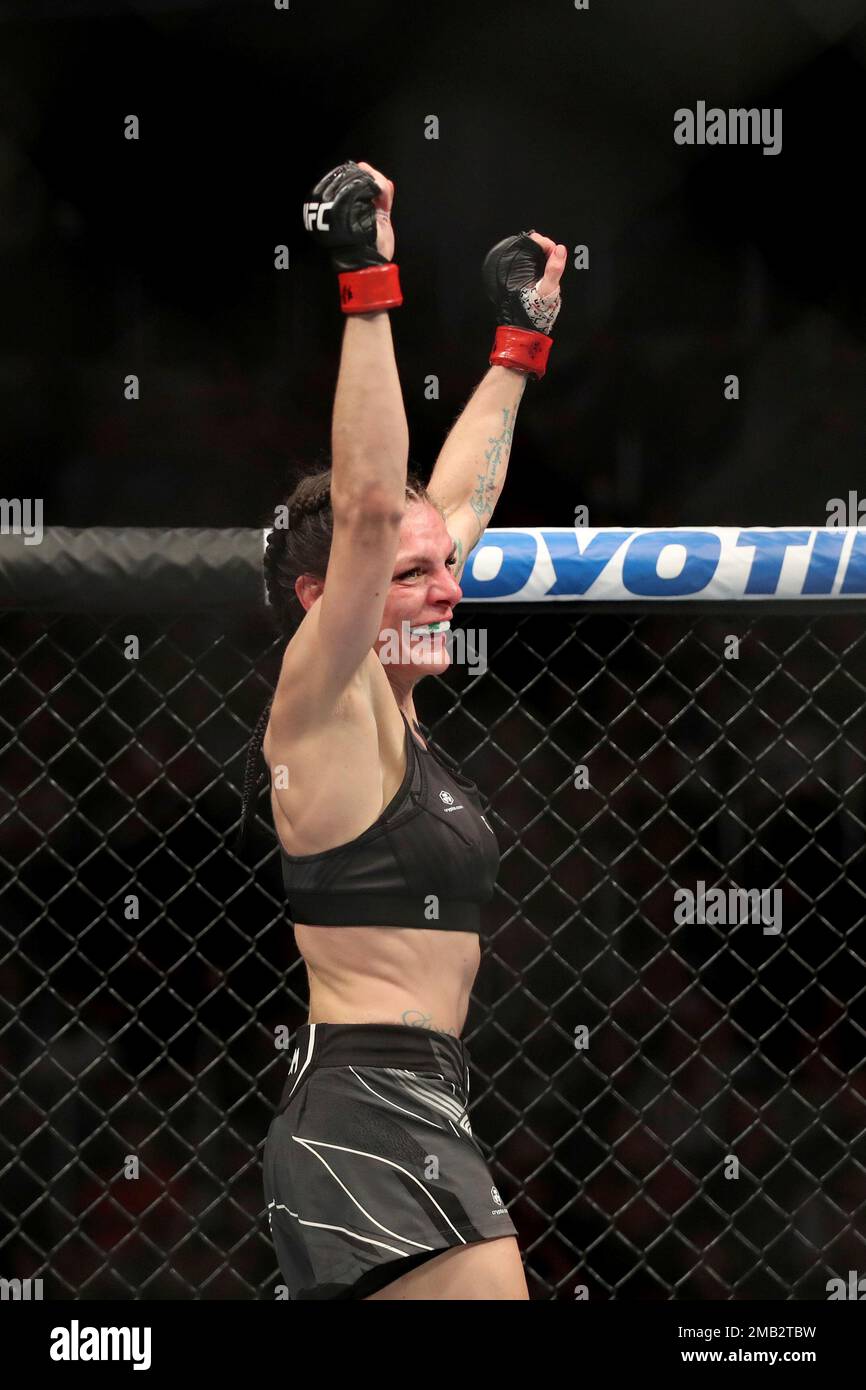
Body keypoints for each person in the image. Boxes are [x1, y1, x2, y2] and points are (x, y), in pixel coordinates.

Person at [242, 159, 565, 1299]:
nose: (448, 587)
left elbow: (450, 503)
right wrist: (366, 279)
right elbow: (379, 512)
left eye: (443, 569)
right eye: (412, 575)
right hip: (370, 1112)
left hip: (405, 1103)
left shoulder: (395, 711)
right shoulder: (324, 701)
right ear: (324, 596)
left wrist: (518, 346)